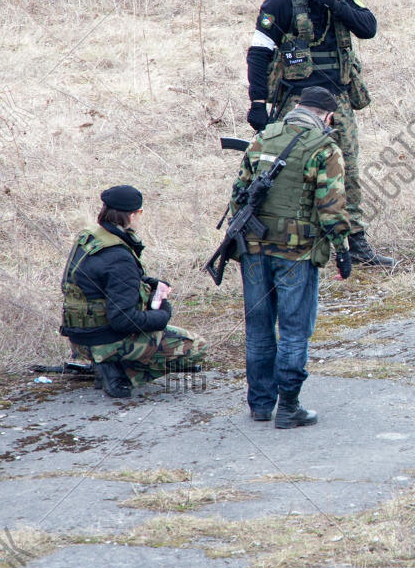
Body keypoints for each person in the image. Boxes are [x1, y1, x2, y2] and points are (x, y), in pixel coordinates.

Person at [245, 0, 394, 267]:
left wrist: (335, 5)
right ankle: (286, 240)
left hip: (337, 100)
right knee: (290, 168)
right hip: (295, 101)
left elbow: (368, 28)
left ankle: (354, 242)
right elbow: (258, 52)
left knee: (348, 168)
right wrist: (257, 103)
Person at [230, 87, 353, 426]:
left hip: (253, 247)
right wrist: (342, 250)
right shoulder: (325, 148)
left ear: (297, 107)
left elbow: (238, 193)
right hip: (296, 253)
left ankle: (259, 405)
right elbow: (332, 209)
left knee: (258, 330)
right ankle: (288, 408)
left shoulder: (264, 137)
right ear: (326, 116)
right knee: (294, 331)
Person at [59, 185, 206, 399]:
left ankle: (106, 366)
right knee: (196, 347)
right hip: (103, 341)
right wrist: (163, 311)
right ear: (132, 215)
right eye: (140, 213)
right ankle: (118, 374)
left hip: (79, 340)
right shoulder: (119, 256)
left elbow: (103, 279)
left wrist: (150, 283)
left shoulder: (90, 238)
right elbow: (124, 321)